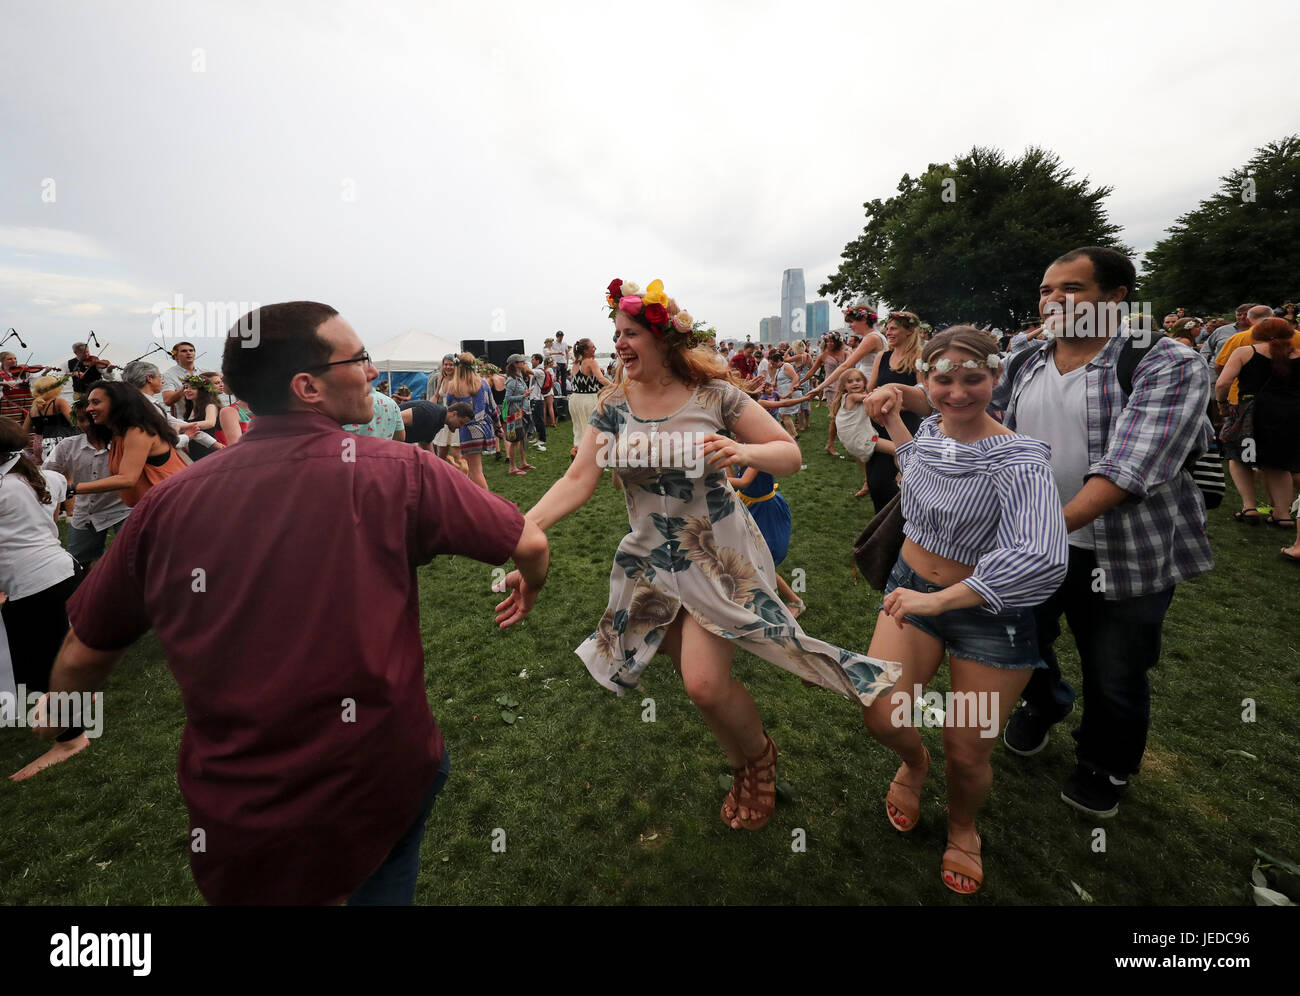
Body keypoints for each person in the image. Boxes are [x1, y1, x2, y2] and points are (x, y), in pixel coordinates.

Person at [37, 301, 551, 905]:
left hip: (238, 808)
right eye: (357, 358)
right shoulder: (403, 471)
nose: (370, 371)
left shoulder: (166, 504)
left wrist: (68, 726)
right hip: (380, 775)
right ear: (307, 385)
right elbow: (529, 541)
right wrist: (531, 581)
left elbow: (84, 652)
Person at [514, 277, 900, 833]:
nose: (619, 344)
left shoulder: (716, 397)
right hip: (650, 562)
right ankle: (744, 765)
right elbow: (577, 481)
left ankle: (760, 761)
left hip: (717, 558)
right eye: (615, 334)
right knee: (703, 690)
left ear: (663, 339)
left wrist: (743, 449)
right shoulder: (612, 408)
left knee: (703, 683)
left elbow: (788, 453)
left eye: (630, 334)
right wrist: (520, 528)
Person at [941, 247, 1210, 820]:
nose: (1053, 300)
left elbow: (1128, 469)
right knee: (1022, 645)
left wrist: (1037, 527)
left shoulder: (1167, 363)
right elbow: (983, 424)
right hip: (1030, 550)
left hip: (1119, 554)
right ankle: (1045, 703)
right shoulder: (1024, 360)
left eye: (1072, 288)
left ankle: (1104, 762)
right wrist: (907, 402)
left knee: (1115, 669)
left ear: (1116, 299)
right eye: (1046, 289)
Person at [861, 326, 1068, 895]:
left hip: (988, 614)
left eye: (972, 378)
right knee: (883, 713)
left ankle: (962, 827)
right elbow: (919, 464)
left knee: (967, 748)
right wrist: (894, 421)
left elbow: (1041, 558)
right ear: (925, 380)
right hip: (910, 592)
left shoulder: (1021, 459)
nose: (957, 392)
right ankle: (913, 764)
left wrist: (942, 598)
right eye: (943, 379)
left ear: (995, 378)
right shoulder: (928, 431)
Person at [0, 417, 87, 781]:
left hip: (35, 587)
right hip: (63, 572)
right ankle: (76, 713)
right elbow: (58, 494)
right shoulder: (34, 476)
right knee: (55, 656)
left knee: (37, 668)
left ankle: (73, 739)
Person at [1215, 305, 1300, 521]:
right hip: (1289, 414)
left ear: (1257, 332)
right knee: (1279, 463)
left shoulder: (1245, 352)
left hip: (1250, 413)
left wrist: (1222, 404)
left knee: (1240, 457)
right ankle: (1282, 514)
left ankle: (1249, 507)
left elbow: (1222, 383)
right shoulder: (1298, 355)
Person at [43, 401, 131, 568]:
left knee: (132, 557)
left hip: (124, 508)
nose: (88, 424)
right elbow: (47, 474)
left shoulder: (123, 442)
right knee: (77, 562)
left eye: (91, 418)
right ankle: (85, 591)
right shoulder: (67, 446)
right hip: (87, 510)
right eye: (82, 419)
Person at [75, 382, 188, 507]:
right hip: (157, 506)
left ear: (117, 403)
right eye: (89, 403)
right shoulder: (119, 434)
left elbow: (127, 479)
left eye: (95, 402)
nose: (88, 409)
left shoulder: (139, 431)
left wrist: (73, 488)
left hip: (175, 504)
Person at [861, 312, 924, 508]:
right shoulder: (883, 356)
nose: (888, 332)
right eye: (887, 328)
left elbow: (923, 395)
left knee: (882, 481)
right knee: (873, 480)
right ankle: (880, 522)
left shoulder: (919, 357)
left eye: (894, 328)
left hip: (903, 424)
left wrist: (893, 403)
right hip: (877, 425)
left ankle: (900, 522)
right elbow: (871, 387)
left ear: (910, 331)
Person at [119, 360, 222, 456]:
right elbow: (158, 442)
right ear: (149, 378)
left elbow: (178, 424)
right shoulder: (144, 406)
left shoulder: (139, 404)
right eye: (160, 377)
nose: (162, 381)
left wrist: (215, 444)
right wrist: (186, 436)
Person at [445, 352, 500, 490]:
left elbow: (449, 409)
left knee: (476, 471)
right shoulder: (483, 383)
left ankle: (489, 504)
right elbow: (492, 407)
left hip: (468, 430)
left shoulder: (453, 386)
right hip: (485, 427)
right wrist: (498, 426)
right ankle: (469, 495)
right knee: (472, 469)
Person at [831, 368, 886, 498]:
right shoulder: (852, 397)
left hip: (851, 441)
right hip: (865, 440)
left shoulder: (845, 398)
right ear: (844, 386)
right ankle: (902, 481)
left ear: (864, 381)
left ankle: (867, 483)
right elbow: (869, 397)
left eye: (858, 380)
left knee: (864, 461)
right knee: (896, 449)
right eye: (850, 382)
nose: (855, 383)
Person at [567, 338, 613, 453]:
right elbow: (601, 379)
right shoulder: (591, 362)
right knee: (592, 430)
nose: (595, 348)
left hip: (574, 400)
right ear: (586, 350)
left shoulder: (576, 363)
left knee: (578, 431)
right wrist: (616, 387)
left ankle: (577, 454)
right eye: (593, 347)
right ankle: (590, 459)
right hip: (588, 399)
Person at [23, 375, 77, 465]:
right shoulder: (59, 402)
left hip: (40, 444)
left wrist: (41, 426)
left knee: (46, 474)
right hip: (60, 442)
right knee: (67, 474)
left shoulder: (34, 408)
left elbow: (24, 431)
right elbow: (74, 421)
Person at [400, 399, 471, 451]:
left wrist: (436, 465)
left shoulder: (439, 420)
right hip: (390, 438)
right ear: (454, 414)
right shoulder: (430, 413)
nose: (460, 427)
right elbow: (398, 418)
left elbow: (425, 444)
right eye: (461, 422)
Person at [502, 355, 533, 475]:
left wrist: (525, 394)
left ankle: (523, 463)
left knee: (521, 438)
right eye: (521, 361)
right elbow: (508, 398)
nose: (524, 363)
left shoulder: (518, 377)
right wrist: (523, 396)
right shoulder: (511, 380)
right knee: (514, 440)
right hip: (514, 413)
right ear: (515, 364)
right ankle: (512, 467)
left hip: (520, 411)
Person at [161, 342, 201, 413]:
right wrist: (186, 387)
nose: (188, 353)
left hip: (208, 417)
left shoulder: (204, 372)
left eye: (191, 350)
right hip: (183, 420)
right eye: (184, 351)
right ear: (175, 356)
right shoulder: (168, 374)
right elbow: (167, 401)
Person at [527, 353, 548, 451]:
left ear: (538, 361)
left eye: (533, 359)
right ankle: (538, 437)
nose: (531, 361)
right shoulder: (536, 371)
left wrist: (522, 361)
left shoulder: (539, 371)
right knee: (535, 420)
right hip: (534, 397)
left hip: (537, 398)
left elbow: (527, 370)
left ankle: (542, 439)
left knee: (539, 420)